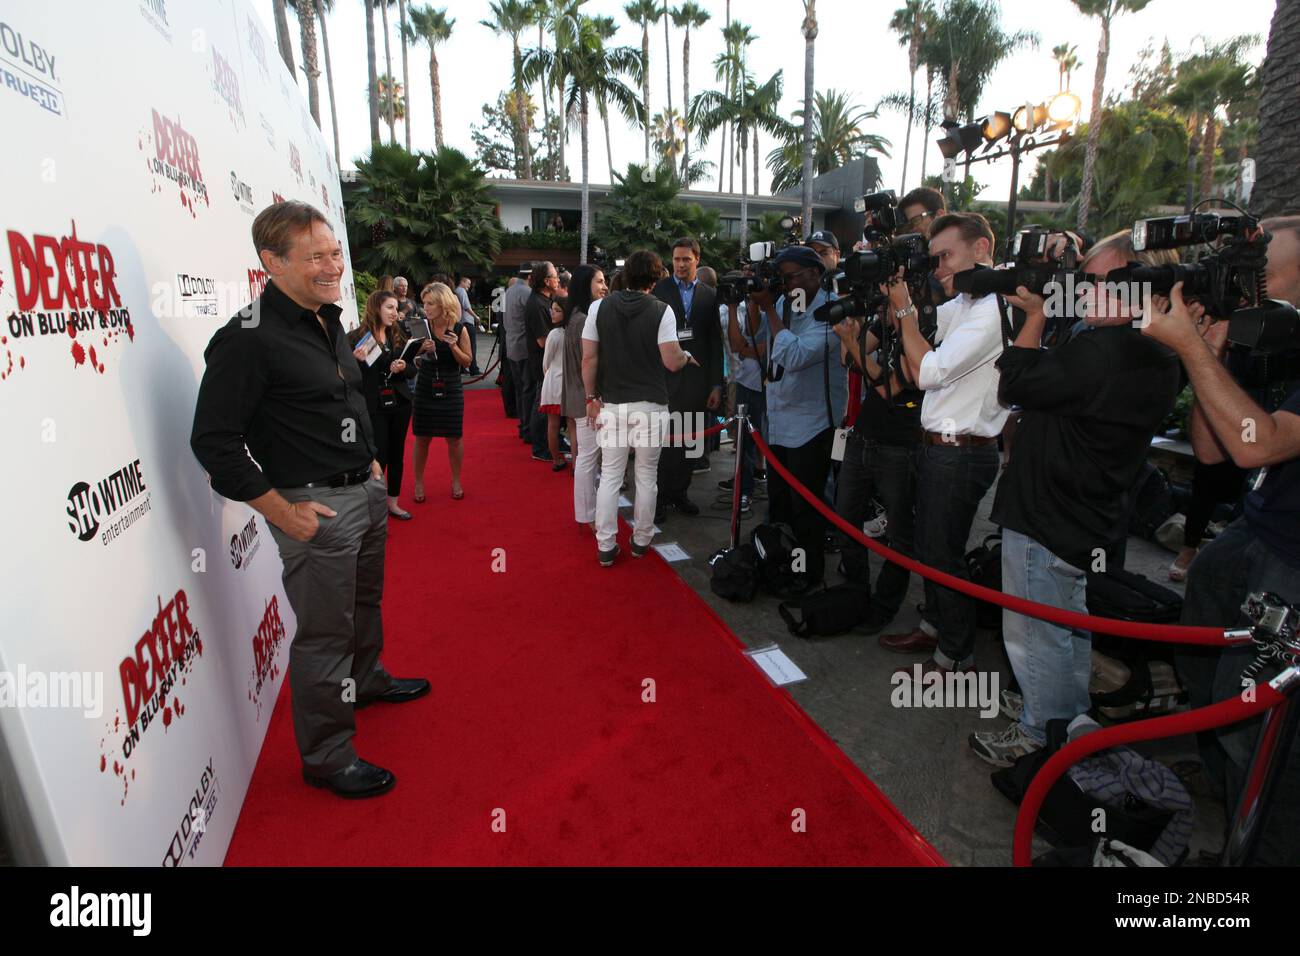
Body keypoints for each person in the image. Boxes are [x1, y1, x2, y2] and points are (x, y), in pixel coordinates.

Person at [190, 201, 429, 799]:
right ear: (272, 262)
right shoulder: (246, 339)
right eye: (316, 256)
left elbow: (343, 402)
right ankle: (326, 757)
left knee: (365, 603)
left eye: (335, 253)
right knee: (324, 635)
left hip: (364, 493)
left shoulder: (325, 317)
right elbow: (214, 443)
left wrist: (371, 461)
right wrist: (282, 511)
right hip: (316, 510)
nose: (332, 266)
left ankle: (367, 680)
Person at [964, 230, 1184, 767]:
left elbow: (1014, 382)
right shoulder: (1157, 351)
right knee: (1066, 626)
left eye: (1099, 281)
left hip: (1049, 512)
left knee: (1036, 631)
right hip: (1089, 510)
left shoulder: (1102, 351)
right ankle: (1064, 711)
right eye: (1082, 279)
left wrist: (1035, 317)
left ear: (1143, 286)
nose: (1082, 290)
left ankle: (1041, 733)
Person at [1140, 220, 1300, 863]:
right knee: (1207, 676)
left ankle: (1257, 849)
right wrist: (1206, 351)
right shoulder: (1275, 349)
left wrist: (1192, 349)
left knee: (1256, 721)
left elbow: (1254, 442)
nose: (1248, 287)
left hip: (1291, 562)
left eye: (1264, 275)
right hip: (1253, 532)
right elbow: (1214, 452)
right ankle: (1225, 784)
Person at [878, 212, 1009, 677]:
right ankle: (935, 626)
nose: (938, 268)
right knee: (933, 546)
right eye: (934, 260)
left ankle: (956, 653)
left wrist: (905, 311)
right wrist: (898, 288)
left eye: (946, 256)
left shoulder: (994, 308)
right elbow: (923, 335)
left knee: (941, 552)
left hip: (962, 451)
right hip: (941, 447)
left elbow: (929, 370)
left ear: (981, 250)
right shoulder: (969, 301)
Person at [583, 250, 698, 566]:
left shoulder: (598, 308)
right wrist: (687, 357)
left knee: (610, 476)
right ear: (656, 276)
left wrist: (590, 399)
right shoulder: (663, 311)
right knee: (647, 475)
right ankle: (641, 540)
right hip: (650, 406)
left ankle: (606, 545)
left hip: (611, 404)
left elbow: (589, 358)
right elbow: (672, 361)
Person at [746, 245, 847, 589]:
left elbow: (796, 355)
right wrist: (754, 305)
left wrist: (770, 312)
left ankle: (808, 573)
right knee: (780, 504)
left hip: (813, 424)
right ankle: (782, 564)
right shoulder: (782, 304)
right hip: (779, 420)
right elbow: (759, 343)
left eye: (791, 278)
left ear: (816, 274)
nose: (787, 285)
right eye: (782, 279)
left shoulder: (832, 311)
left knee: (806, 509)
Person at [653, 238, 724, 521]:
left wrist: (716, 384)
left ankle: (680, 494)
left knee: (689, 442)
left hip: (697, 381)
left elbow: (714, 342)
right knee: (663, 444)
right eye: (676, 259)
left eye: (686, 259)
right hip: (665, 379)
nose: (680, 265)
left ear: (697, 259)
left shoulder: (709, 294)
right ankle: (657, 499)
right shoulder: (660, 289)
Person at [347, 290, 421, 520]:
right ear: (375, 308)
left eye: (395, 308)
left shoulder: (398, 333)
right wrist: (355, 361)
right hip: (373, 405)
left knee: (397, 454)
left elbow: (412, 369)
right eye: (389, 307)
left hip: (400, 402)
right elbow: (348, 376)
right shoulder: (355, 337)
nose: (395, 313)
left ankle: (393, 504)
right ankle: (375, 509)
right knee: (378, 457)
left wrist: (403, 367)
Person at [411, 282, 473, 501]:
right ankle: (418, 483)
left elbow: (467, 361)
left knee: (454, 437)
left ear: (443, 304)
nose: (425, 308)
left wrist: (454, 347)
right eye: (424, 303)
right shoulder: (420, 326)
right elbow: (409, 357)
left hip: (451, 386)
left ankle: (456, 480)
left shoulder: (459, 328)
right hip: (426, 385)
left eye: (430, 303)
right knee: (421, 437)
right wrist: (420, 350)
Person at [564, 265, 609, 532]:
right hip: (585, 398)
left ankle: (587, 513)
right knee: (587, 458)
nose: (604, 287)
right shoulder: (583, 319)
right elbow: (588, 361)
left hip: (580, 395)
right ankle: (588, 515)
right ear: (585, 285)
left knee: (586, 457)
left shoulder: (577, 315)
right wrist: (594, 397)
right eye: (600, 281)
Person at [525, 261, 562, 462]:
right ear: (546, 280)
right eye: (555, 275)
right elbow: (543, 341)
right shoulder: (537, 304)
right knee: (542, 405)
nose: (558, 278)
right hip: (543, 362)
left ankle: (550, 442)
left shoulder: (545, 300)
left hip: (549, 361)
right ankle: (540, 446)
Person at [503, 263, 535, 443]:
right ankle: (527, 428)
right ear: (530, 277)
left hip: (511, 345)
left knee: (520, 390)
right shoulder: (526, 292)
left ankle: (523, 426)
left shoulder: (510, 291)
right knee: (528, 389)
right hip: (523, 347)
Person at [538, 298, 569, 472]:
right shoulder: (572, 332)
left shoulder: (554, 334)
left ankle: (556, 459)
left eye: (557, 310)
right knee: (571, 425)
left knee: (553, 424)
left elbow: (546, 362)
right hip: (570, 383)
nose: (552, 313)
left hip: (553, 382)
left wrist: (548, 374)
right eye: (552, 309)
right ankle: (576, 462)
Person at [454, 276, 482, 375]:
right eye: (468, 283)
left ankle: (462, 368)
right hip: (466, 322)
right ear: (462, 282)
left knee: (461, 346)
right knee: (471, 347)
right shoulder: (461, 291)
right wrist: (475, 316)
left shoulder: (456, 291)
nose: (469, 286)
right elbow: (466, 306)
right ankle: (474, 369)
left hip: (460, 322)